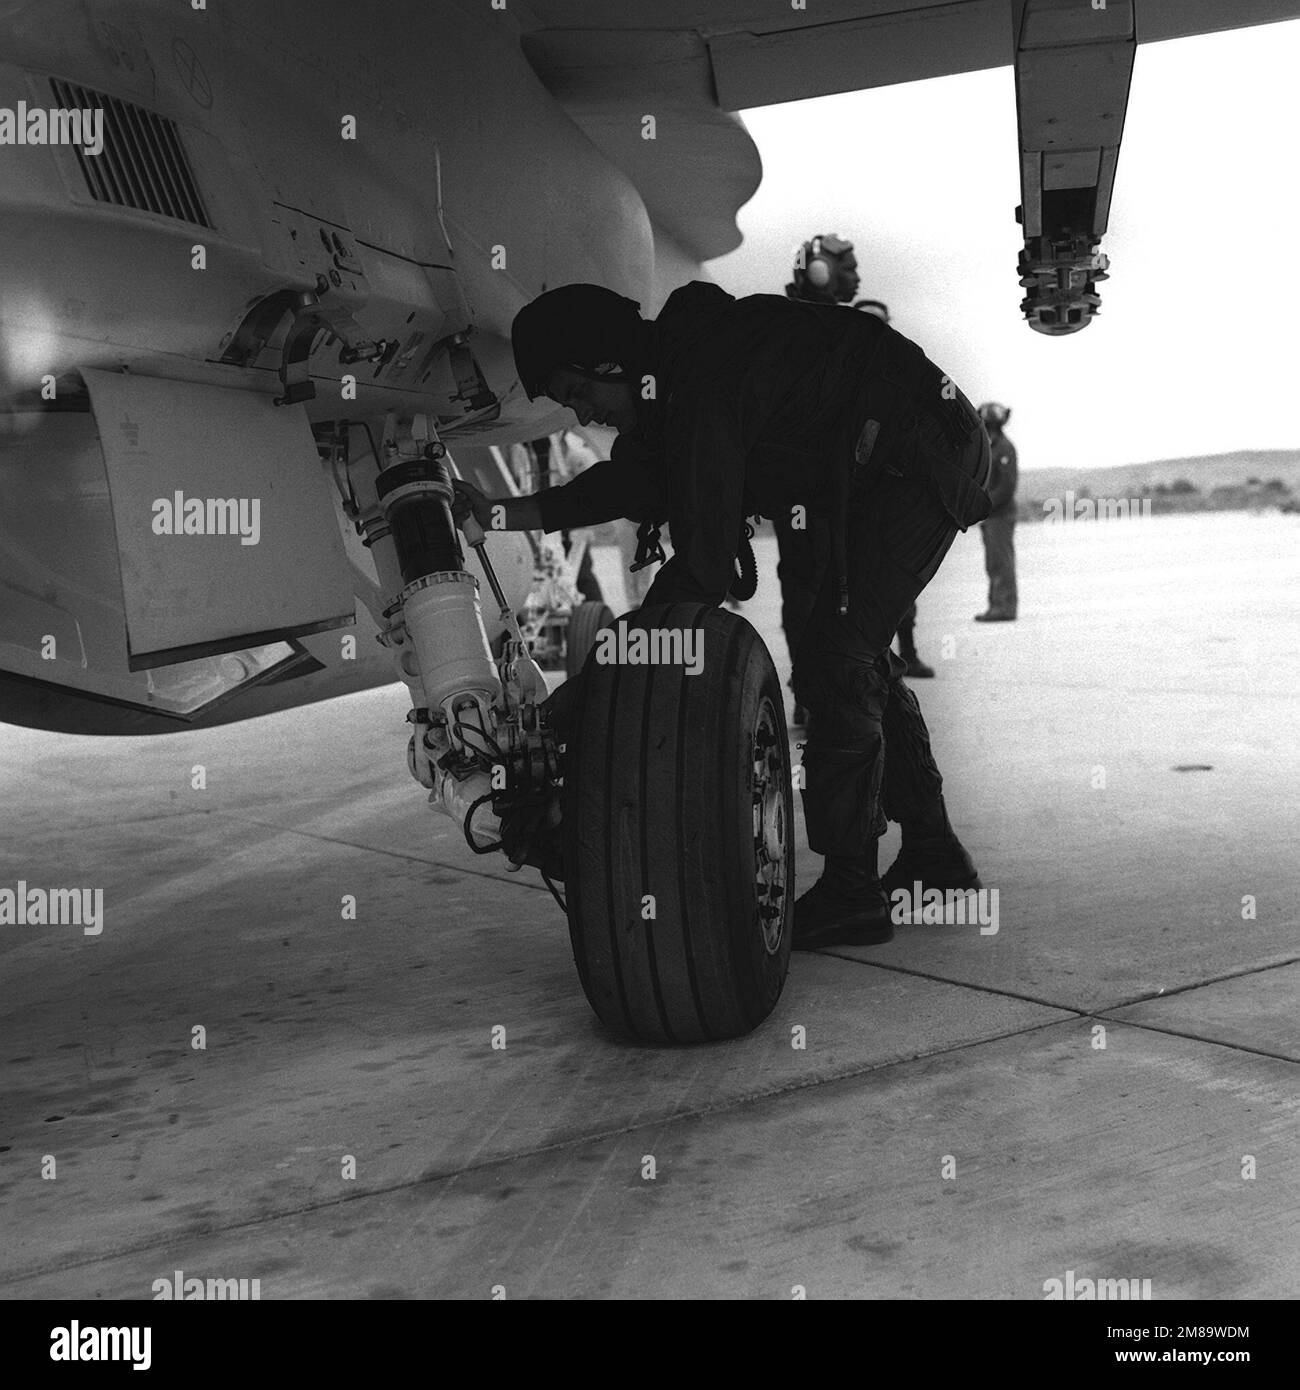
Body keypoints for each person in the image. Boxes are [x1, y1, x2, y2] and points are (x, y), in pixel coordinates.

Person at [452, 281, 987, 949]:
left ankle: (854, 891)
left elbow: (701, 574)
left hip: (919, 458)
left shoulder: (703, 382)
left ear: (609, 365)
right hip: (873, 470)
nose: (586, 416)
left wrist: (595, 694)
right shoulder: (673, 382)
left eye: (580, 395)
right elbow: (629, 483)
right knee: (854, 656)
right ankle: (934, 856)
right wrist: (499, 513)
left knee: (838, 659)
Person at [975, 402, 1018, 621]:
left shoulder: (1004, 448)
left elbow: (1006, 487)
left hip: (1000, 515)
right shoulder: (992, 447)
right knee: (994, 562)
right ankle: (996, 606)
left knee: (1001, 561)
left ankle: (1004, 607)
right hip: (992, 515)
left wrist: (985, 504)